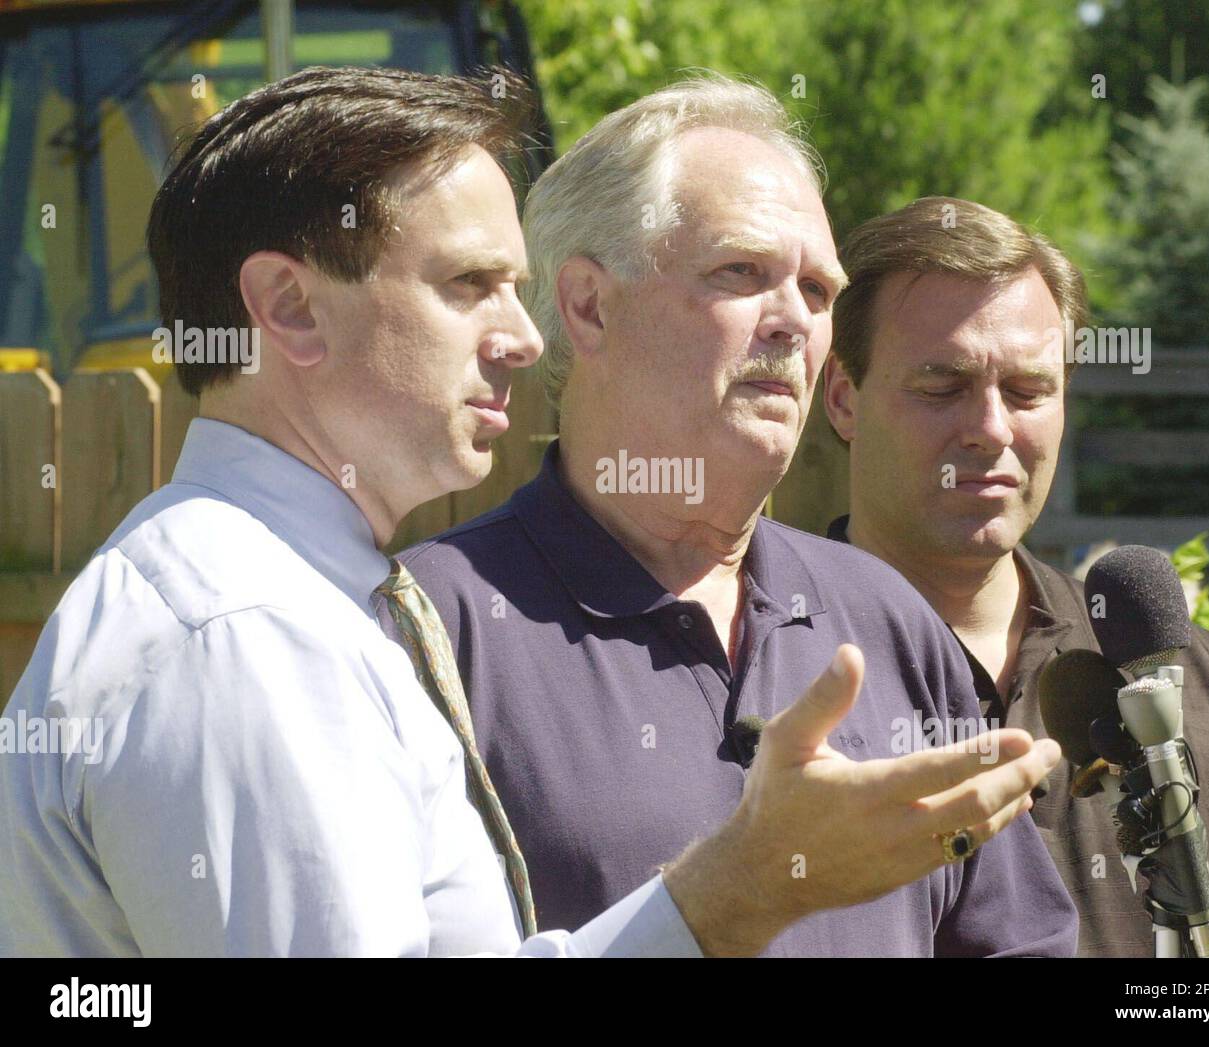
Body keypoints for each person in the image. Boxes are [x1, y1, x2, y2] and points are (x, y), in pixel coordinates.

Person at [0, 70, 1062, 959]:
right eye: (470, 285)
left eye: (820, 293)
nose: (520, 337)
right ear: (287, 308)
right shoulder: (249, 636)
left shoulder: (297, 608)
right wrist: (730, 894)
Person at [391, 75, 1077, 956]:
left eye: (820, 292)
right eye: (742, 273)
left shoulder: (888, 618)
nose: (793, 320)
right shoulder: (431, 631)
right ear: (589, 305)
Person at [821, 195, 1209, 956]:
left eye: (1027, 390)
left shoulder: (1190, 682)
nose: (990, 427)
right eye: (941, 385)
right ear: (844, 399)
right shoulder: (775, 676)